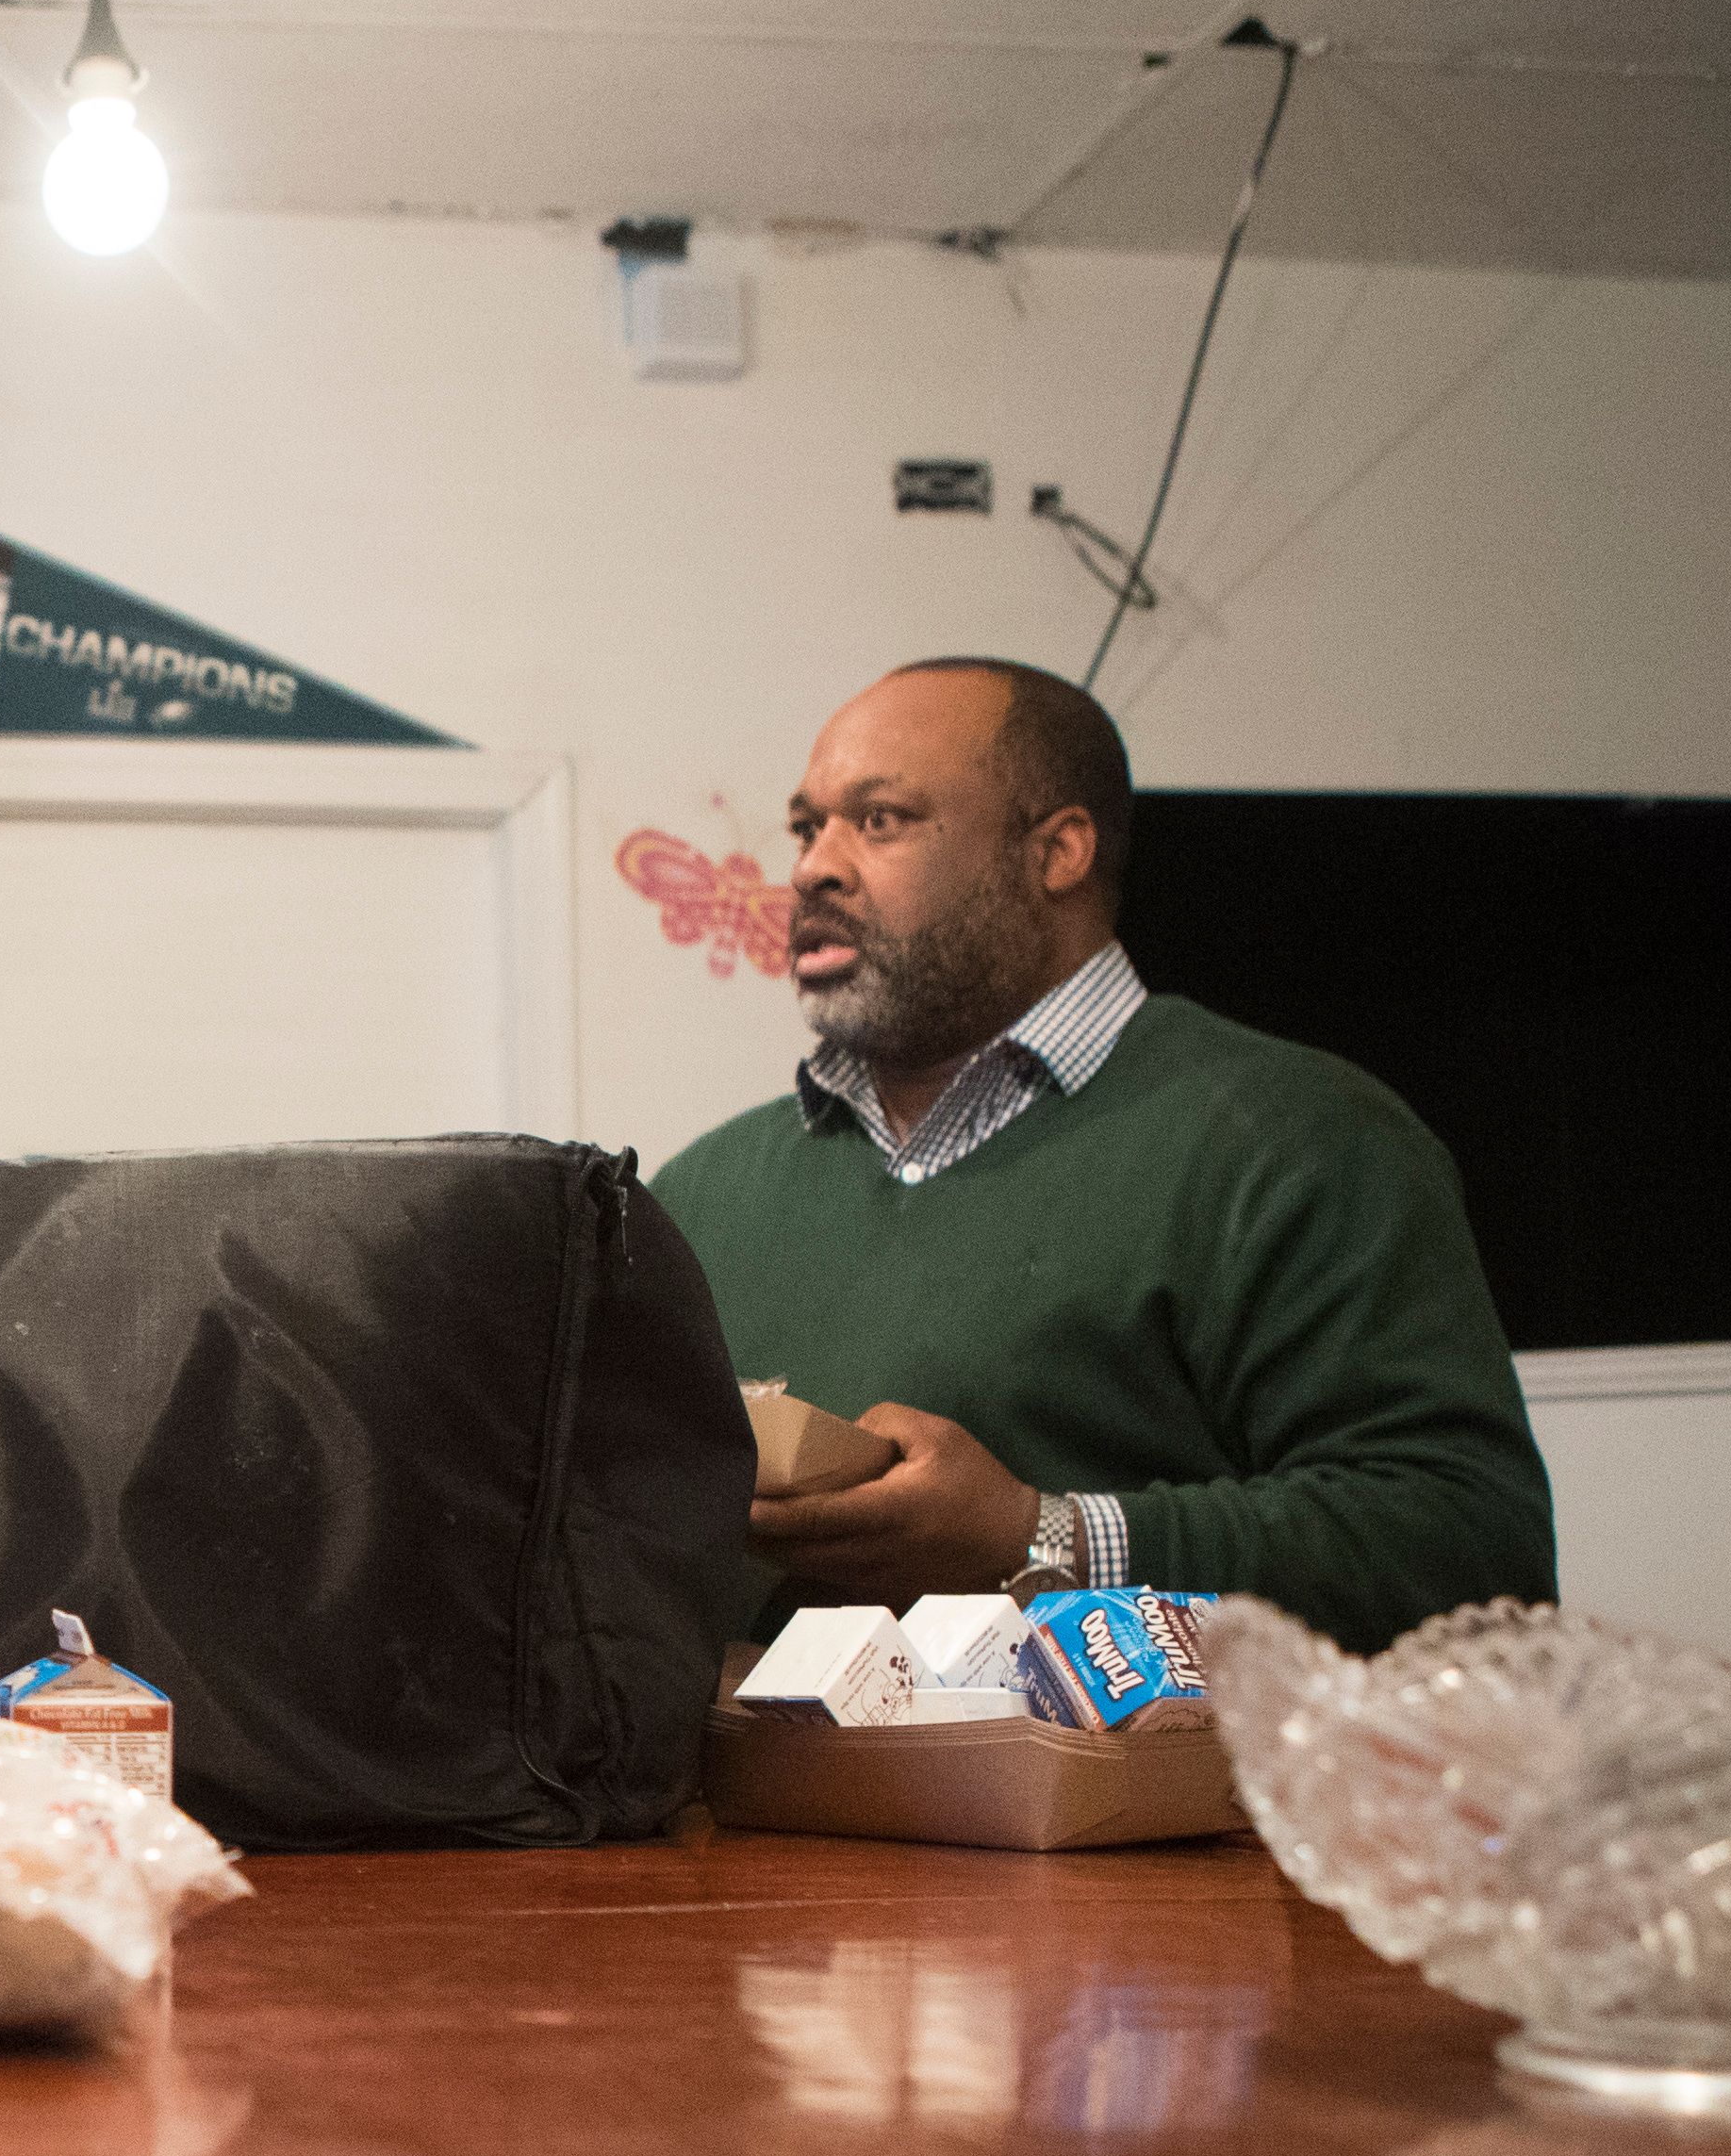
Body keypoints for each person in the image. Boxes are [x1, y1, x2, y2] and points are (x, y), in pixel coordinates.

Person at [647, 658, 1553, 1648]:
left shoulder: (1299, 1142)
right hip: (730, 1805)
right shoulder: (700, 1192)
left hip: (1153, 1803)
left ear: (1056, 851)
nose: (812, 867)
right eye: (804, 825)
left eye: (880, 820)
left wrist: (1038, 1540)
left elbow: (1467, 1545)